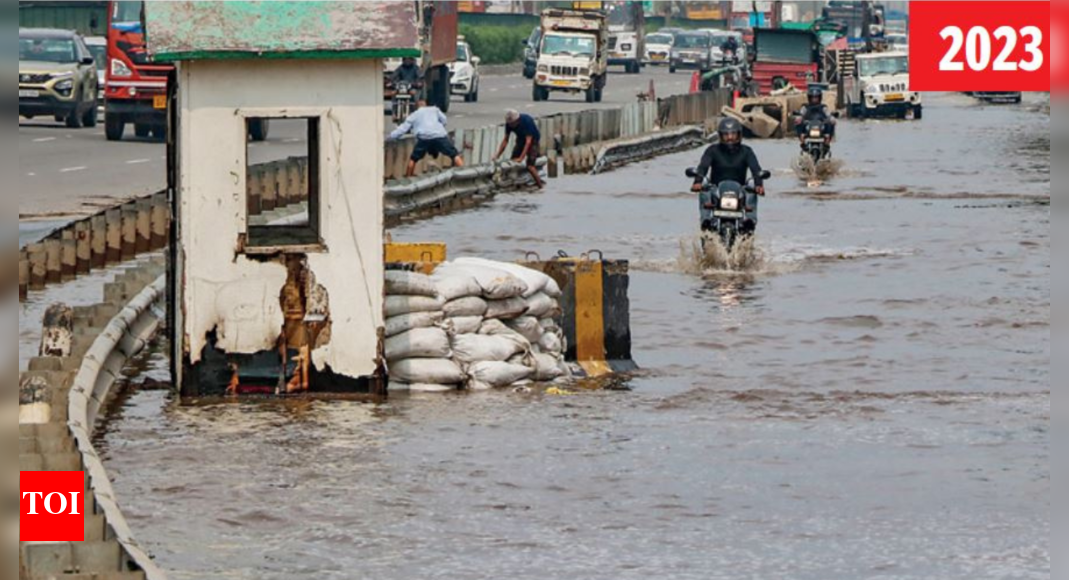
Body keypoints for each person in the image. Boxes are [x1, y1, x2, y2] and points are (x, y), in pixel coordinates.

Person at [388, 99, 464, 178]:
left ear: (416, 107)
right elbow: (444, 120)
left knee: (413, 159)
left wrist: (390, 136)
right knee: (454, 154)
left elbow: (402, 129)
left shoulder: (414, 114)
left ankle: (408, 178)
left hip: (424, 138)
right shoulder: (435, 110)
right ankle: (463, 172)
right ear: (426, 105)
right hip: (439, 136)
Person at [692, 118, 765, 195]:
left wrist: (758, 184)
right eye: (726, 134)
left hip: (740, 193)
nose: (730, 137)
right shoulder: (712, 150)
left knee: (751, 196)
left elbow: (755, 169)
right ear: (721, 135)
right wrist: (698, 181)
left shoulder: (747, 151)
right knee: (705, 194)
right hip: (715, 192)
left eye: (733, 134)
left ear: (739, 135)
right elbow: (703, 167)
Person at [495, 109, 544, 189]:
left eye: (512, 124)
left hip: (533, 140)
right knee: (512, 161)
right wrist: (497, 155)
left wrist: (521, 158)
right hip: (521, 138)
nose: (511, 126)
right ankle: (514, 183)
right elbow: (505, 140)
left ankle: (540, 186)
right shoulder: (509, 124)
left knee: (530, 166)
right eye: (509, 124)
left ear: (517, 121)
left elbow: (528, 142)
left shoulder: (526, 121)